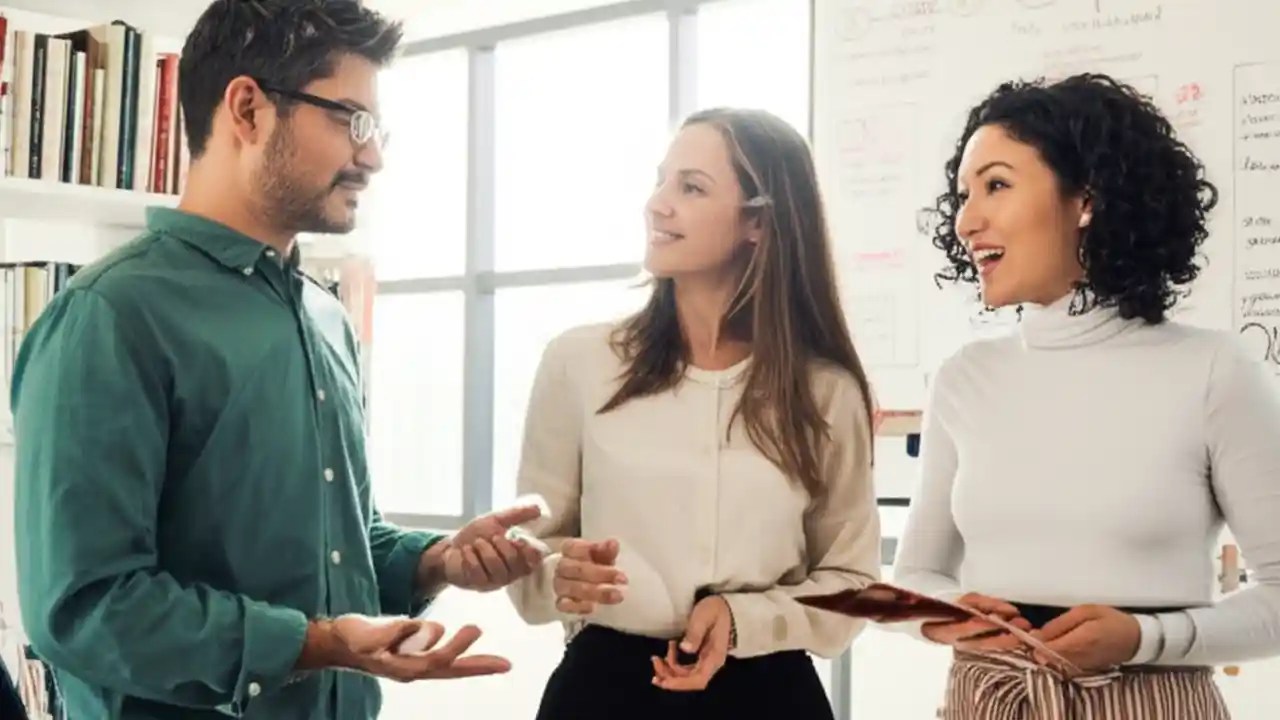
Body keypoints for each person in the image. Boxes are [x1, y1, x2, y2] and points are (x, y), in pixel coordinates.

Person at [11, 2, 545, 719]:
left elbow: (339, 551)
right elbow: (84, 608)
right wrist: (316, 644)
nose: (374, 155)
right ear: (248, 110)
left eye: (377, 127)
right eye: (350, 120)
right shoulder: (111, 316)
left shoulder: (325, 315)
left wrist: (435, 560)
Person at [892, 72, 1280, 719]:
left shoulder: (1214, 368)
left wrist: (1145, 638)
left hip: (1152, 702)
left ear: (1087, 200)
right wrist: (943, 616)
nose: (965, 220)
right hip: (988, 701)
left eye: (996, 185)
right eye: (962, 195)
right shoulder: (964, 378)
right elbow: (915, 576)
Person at [506, 107, 882, 719]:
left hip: (770, 696)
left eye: (691, 187)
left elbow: (856, 585)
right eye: (661, 180)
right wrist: (556, 578)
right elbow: (530, 550)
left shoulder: (826, 392)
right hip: (603, 693)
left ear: (758, 221)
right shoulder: (578, 362)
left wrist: (745, 619)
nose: (657, 204)